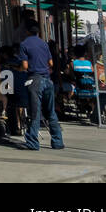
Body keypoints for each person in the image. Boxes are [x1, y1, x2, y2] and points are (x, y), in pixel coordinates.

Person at [18, 23, 64, 151]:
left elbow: (25, 66)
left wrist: (19, 68)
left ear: (26, 31)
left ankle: (33, 142)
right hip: (47, 80)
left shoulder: (24, 44)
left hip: (34, 80)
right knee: (51, 112)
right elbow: (51, 63)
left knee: (35, 112)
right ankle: (57, 141)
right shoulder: (44, 44)